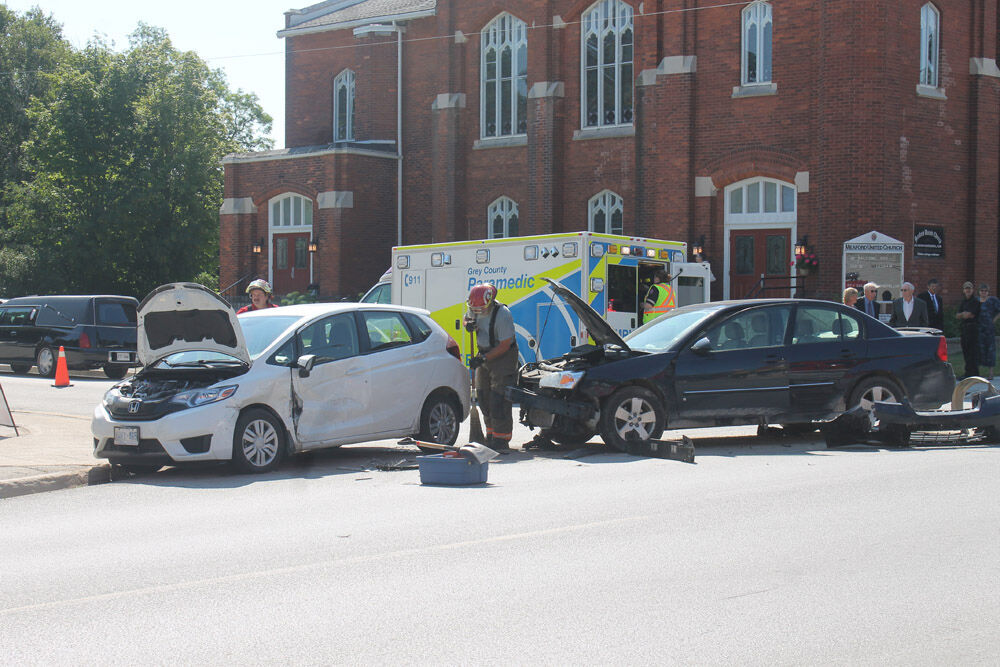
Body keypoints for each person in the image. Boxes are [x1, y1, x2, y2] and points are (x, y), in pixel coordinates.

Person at [464, 283, 518, 452]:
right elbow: (467, 318)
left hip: (503, 356)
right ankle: (490, 435)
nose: (478, 312)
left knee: (498, 398)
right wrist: (468, 325)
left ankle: (502, 439)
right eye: (475, 309)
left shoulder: (503, 315)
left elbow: (504, 345)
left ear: (490, 301)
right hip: (484, 353)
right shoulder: (475, 306)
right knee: (483, 396)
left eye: (481, 309)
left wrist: (484, 359)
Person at [956, 281, 981, 379]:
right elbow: (957, 315)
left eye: (969, 288)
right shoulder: (963, 301)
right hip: (965, 329)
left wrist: (964, 314)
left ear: (972, 290)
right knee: (966, 351)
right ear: (963, 290)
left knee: (973, 352)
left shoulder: (975, 301)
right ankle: (968, 373)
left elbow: (970, 315)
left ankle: (974, 373)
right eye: (966, 288)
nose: (968, 290)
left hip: (973, 329)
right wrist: (964, 314)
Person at [977, 283, 1000, 380]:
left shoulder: (993, 301)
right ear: (979, 292)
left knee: (990, 350)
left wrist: (993, 320)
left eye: (985, 291)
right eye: (982, 291)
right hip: (978, 330)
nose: (983, 293)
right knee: (978, 350)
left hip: (989, 330)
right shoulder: (976, 301)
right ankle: (977, 373)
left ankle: (991, 373)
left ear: (988, 292)